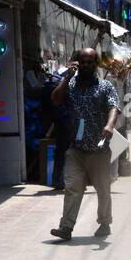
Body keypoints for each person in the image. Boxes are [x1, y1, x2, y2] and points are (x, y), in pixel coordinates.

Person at [49, 47, 120, 241]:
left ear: (95, 64)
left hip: (99, 150)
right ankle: (66, 227)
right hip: (76, 149)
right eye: (83, 62)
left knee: (103, 189)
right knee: (72, 187)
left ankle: (104, 222)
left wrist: (109, 125)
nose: (87, 66)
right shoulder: (70, 85)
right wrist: (66, 78)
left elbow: (114, 107)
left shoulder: (105, 86)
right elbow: (55, 99)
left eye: (90, 62)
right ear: (77, 64)